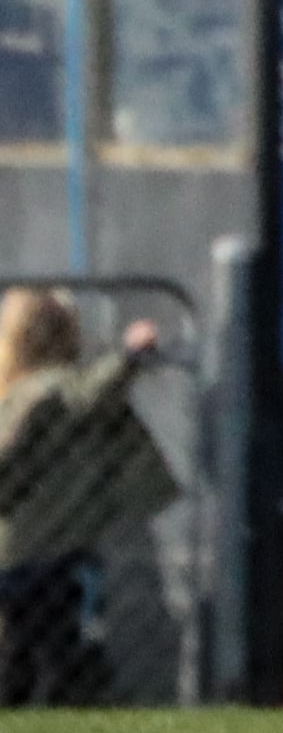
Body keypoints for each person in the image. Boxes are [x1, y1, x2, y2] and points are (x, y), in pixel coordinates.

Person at [0, 293, 178, 707]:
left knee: (33, 645)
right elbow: (90, 393)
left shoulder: (20, 392)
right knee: (43, 647)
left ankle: (33, 704)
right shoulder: (49, 390)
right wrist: (130, 354)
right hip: (39, 552)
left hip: (34, 549)